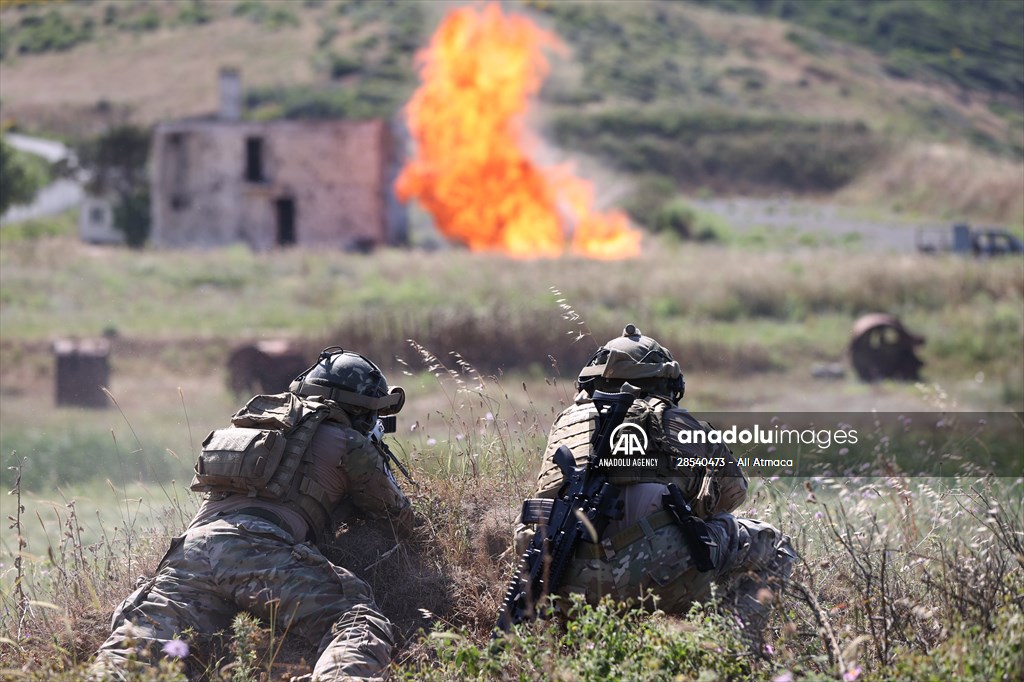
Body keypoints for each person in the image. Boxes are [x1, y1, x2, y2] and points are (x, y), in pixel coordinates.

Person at [92, 347, 414, 681]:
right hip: (261, 552)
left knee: (135, 650)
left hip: (189, 554)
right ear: (362, 412)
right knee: (355, 620)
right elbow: (397, 517)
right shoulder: (347, 441)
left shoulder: (257, 429)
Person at [514, 325, 795, 644]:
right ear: (667, 382)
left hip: (562, 581)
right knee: (773, 545)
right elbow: (733, 496)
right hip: (659, 580)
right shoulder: (683, 424)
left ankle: (579, 649)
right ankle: (737, 650)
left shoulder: (565, 423)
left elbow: (544, 498)